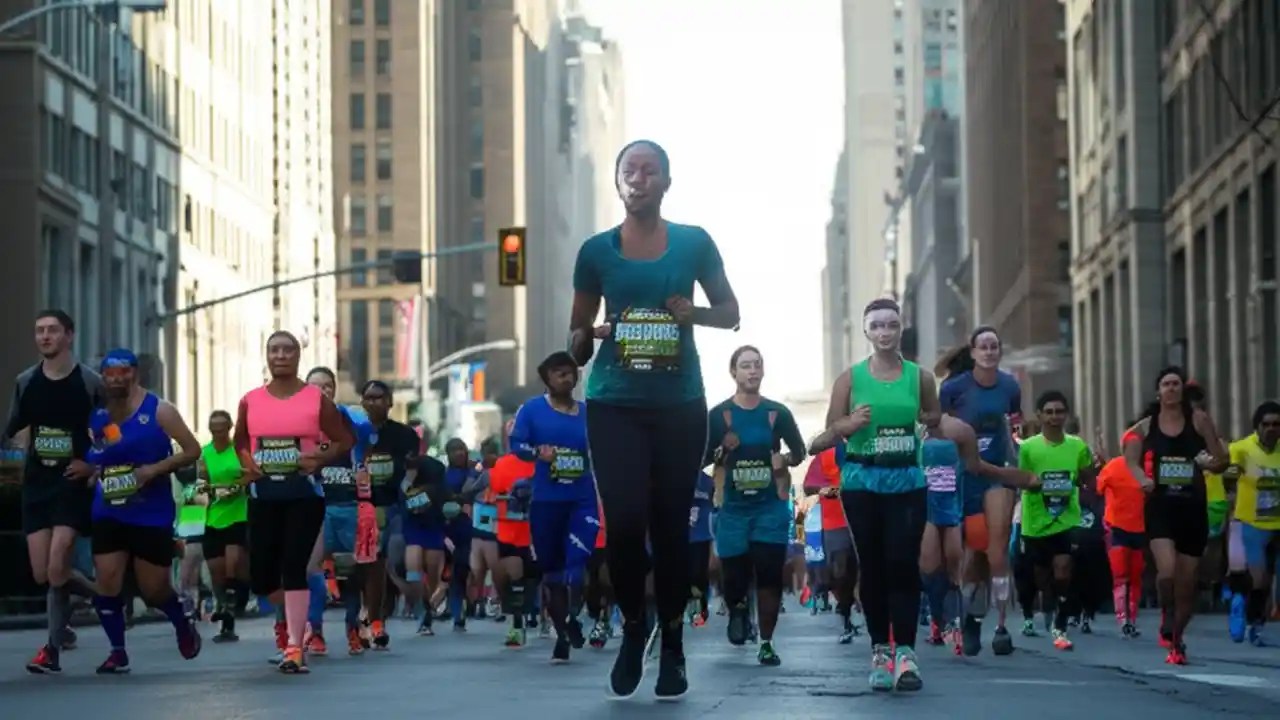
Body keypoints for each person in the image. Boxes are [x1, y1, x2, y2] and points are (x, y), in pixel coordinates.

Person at [568, 139, 740, 701]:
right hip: (614, 403)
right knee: (623, 522)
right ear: (618, 181)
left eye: (649, 171)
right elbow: (576, 342)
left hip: (678, 404)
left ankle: (672, 643)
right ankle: (633, 626)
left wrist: (696, 314)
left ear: (666, 182)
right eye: (629, 170)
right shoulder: (596, 252)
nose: (638, 179)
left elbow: (731, 313)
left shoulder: (693, 243)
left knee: (670, 530)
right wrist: (582, 339)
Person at [809, 301, 1038, 693]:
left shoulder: (921, 378)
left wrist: (937, 426)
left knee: (903, 564)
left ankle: (906, 654)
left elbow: (933, 419)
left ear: (902, 329)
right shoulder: (850, 379)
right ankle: (880, 650)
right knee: (873, 567)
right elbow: (828, 434)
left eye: (891, 325)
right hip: (862, 480)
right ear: (866, 331)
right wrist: (850, 423)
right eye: (876, 326)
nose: (884, 332)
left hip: (907, 479)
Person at [235, 331, 354, 674]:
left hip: (303, 495)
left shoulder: (316, 399)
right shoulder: (250, 400)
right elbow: (240, 441)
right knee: (262, 577)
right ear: (266, 356)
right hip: (263, 495)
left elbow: (344, 440)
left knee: (294, 566)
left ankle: (294, 647)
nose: (281, 355)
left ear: (298, 356)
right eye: (274, 350)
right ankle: (295, 621)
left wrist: (319, 458)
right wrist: (248, 463)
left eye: (288, 350)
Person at [86, 348, 204, 673]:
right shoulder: (101, 415)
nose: (116, 380)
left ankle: (181, 619)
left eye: (123, 373)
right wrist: (94, 470)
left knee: (153, 590)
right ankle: (117, 651)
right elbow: (106, 451)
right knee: (107, 581)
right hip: (109, 508)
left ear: (135, 374)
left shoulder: (159, 410)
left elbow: (192, 450)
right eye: (109, 375)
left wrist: (153, 470)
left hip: (151, 511)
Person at [6, 310, 105, 674]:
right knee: (44, 574)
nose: (45, 337)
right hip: (37, 484)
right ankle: (101, 596)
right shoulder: (26, 381)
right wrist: (15, 458)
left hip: (71, 482)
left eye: (52, 330)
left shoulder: (90, 383)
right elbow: (12, 428)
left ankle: (51, 649)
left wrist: (93, 466)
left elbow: (110, 435)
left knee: (59, 560)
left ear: (69, 335)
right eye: (39, 331)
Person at [705, 345, 806, 667]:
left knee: (768, 574)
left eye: (757, 365)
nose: (752, 371)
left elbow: (799, 452)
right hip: (733, 508)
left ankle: (766, 642)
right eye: (746, 365)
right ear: (733, 372)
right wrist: (722, 450)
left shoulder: (777, 413)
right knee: (734, 575)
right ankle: (737, 610)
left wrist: (784, 460)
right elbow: (701, 458)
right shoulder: (719, 415)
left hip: (769, 508)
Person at [1122, 366, 1228, 665]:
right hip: (1161, 506)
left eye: (1176, 384)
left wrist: (1211, 464)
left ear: (1182, 390)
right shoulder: (1146, 426)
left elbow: (1222, 459)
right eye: (1166, 384)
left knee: (1187, 583)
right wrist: (1141, 478)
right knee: (1167, 571)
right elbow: (1130, 458)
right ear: (1158, 391)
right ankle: (1167, 613)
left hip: (1193, 507)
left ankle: (1177, 640)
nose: (1171, 388)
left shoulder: (1199, 420)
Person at [510, 351, 601, 663]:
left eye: (570, 372)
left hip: (581, 500)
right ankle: (563, 632)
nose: (566, 378)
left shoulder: (588, 414)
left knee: (578, 562)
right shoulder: (532, 410)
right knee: (552, 573)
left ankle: (574, 614)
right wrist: (538, 453)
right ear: (547, 379)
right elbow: (516, 445)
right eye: (559, 373)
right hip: (547, 501)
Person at [937, 327, 1023, 657]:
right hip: (966, 476)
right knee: (975, 552)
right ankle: (972, 619)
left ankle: (1001, 627)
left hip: (998, 473)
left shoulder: (1010, 386)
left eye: (994, 346)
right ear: (973, 353)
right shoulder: (953, 389)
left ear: (999, 351)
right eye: (983, 347)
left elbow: (1015, 429)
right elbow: (939, 431)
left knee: (997, 550)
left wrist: (1019, 465)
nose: (989, 352)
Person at [1016, 391, 1095, 652]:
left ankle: (1061, 623)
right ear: (1039, 416)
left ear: (1066, 415)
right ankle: (1048, 605)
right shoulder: (1028, 448)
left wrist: (1086, 485)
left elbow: (1087, 477)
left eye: (1059, 412)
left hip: (1067, 519)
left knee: (1063, 570)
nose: (1054, 417)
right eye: (1049, 412)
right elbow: (1019, 478)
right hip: (1036, 522)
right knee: (1042, 576)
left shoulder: (1078, 446)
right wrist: (1032, 483)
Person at [1223, 401, 1280, 646]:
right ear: (1257, 427)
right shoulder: (1242, 448)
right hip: (1252, 522)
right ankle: (1252, 623)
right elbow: (1232, 472)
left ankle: (1257, 618)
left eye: (1276, 424)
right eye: (1266, 424)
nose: (1271, 429)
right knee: (1259, 578)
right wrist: (1231, 476)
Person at [199, 409, 250, 643]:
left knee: (233, 566)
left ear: (229, 429)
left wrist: (238, 486)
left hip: (237, 514)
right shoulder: (205, 453)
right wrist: (207, 489)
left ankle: (230, 619)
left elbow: (252, 475)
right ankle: (223, 609)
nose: (218, 433)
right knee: (217, 573)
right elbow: (200, 482)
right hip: (213, 517)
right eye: (214, 430)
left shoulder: (239, 451)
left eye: (222, 429)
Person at [1097, 422, 1147, 637]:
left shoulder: (1147, 468)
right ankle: (1123, 619)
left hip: (1140, 529)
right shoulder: (1113, 467)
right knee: (1121, 576)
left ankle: (1131, 618)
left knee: (1135, 576)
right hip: (1116, 528)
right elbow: (1098, 489)